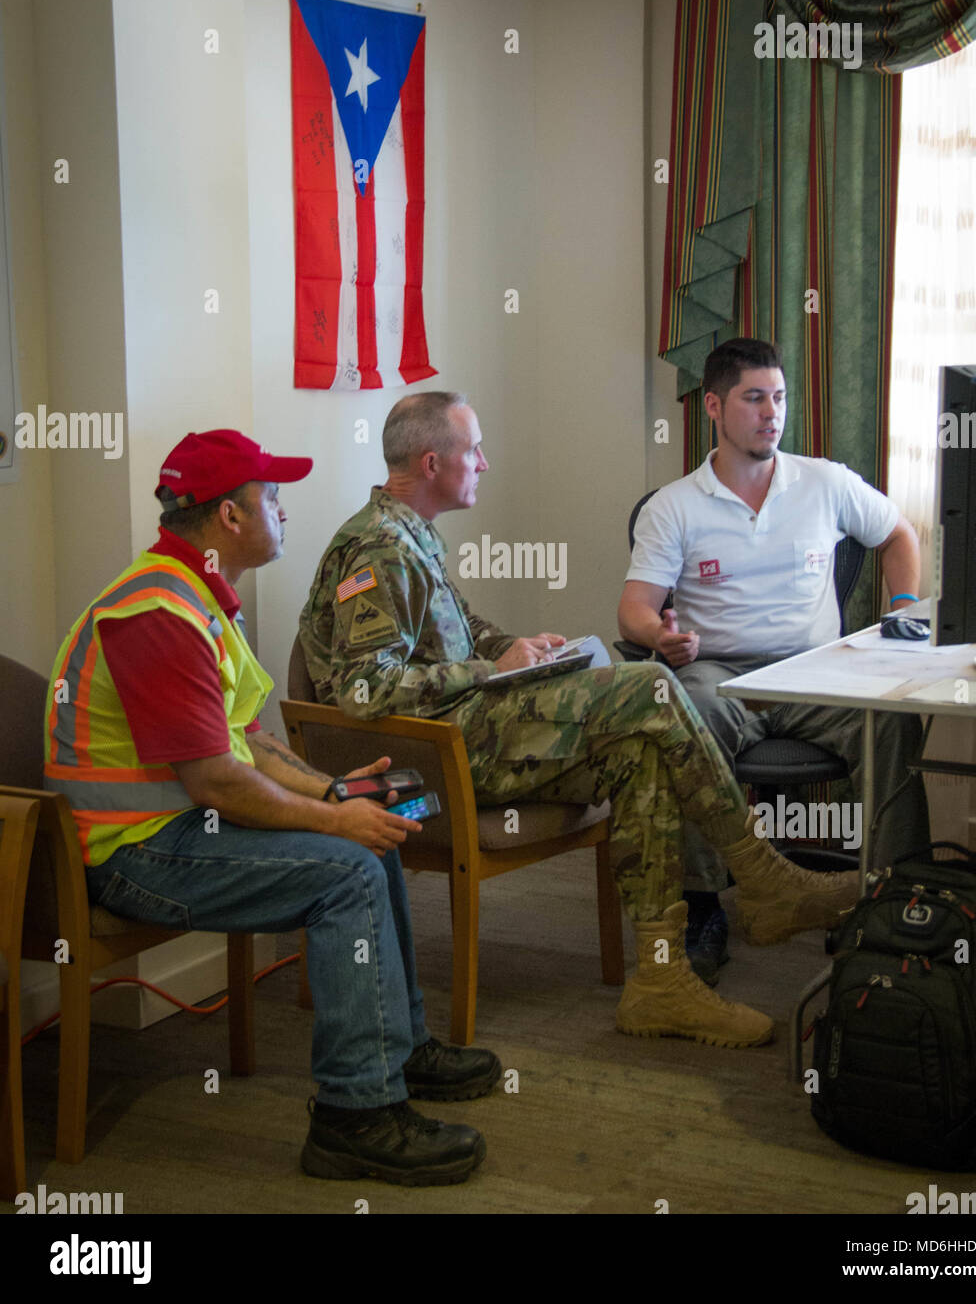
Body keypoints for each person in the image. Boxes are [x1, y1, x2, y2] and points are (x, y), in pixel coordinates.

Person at [299, 391, 861, 1053]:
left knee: (638, 754)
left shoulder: (409, 533)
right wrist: (488, 672)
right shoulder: (377, 547)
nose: (484, 462)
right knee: (649, 686)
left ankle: (660, 982)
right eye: (473, 450)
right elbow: (366, 689)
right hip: (430, 765)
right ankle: (761, 875)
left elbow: (454, 634)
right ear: (430, 463)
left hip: (469, 733)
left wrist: (518, 650)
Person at [45, 428, 502, 1188]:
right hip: (132, 852)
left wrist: (336, 791)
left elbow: (245, 741)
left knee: (374, 833)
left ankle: (400, 1045)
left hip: (175, 828)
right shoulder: (157, 611)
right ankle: (353, 1119)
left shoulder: (196, 595)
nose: (283, 511)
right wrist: (334, 822)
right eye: (273, 497)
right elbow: (216, 782)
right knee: (347, 870)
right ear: (231, 515)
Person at [617, 338, 930, 983]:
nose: (771, 413)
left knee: (893, 720)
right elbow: (635, 608)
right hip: (722, 676)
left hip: (818, 670)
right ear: (714, 405)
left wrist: (900, 609)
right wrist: (660, 637)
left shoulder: (823, 482)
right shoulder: (674, 506)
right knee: (685, 718)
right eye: (754, 398)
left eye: (779, 398)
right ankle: (703, 904)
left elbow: (899, 533)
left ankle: (896, 897)